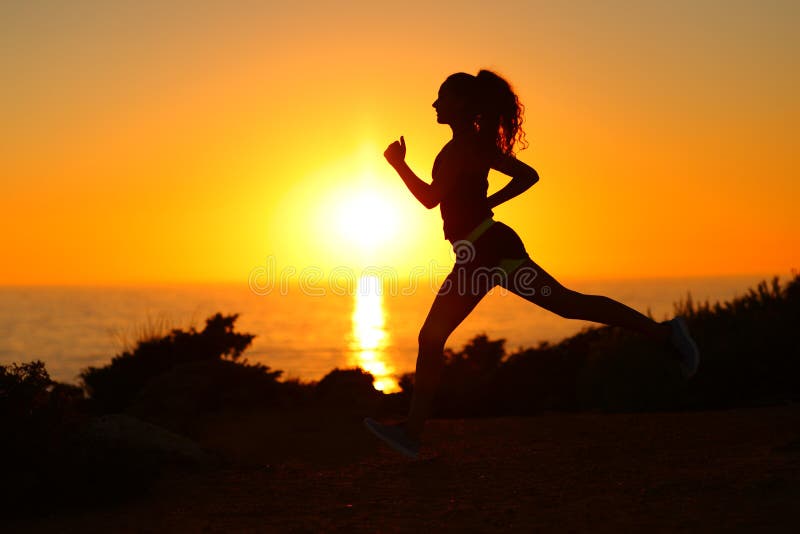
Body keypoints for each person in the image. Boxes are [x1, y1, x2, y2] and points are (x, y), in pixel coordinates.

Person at [364, 70, 699, 459]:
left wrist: (397, 164)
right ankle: (665, 335)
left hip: (484, 254)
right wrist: (491, 204)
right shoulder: (471, 145)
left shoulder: (462, 149)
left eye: (442, 97)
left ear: (461, 104)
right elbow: (527, 175)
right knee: (569, 304)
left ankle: (412, 433)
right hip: (486, 249)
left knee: (433, 337)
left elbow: (429, 199)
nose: (435, 104)